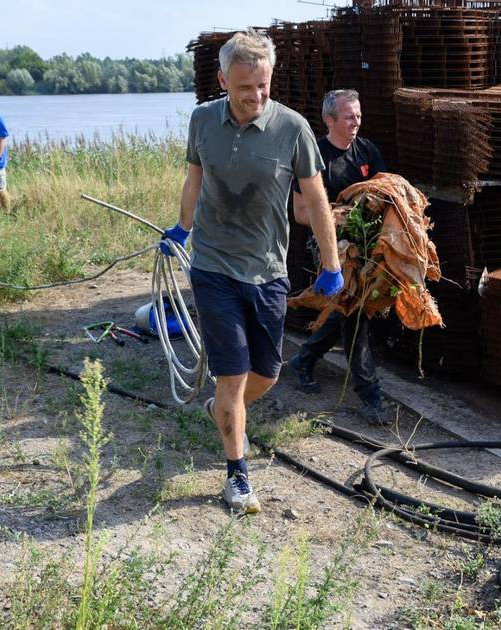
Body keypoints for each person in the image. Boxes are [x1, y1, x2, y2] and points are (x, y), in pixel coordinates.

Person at [159, 29, 343, 514]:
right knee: (234, 376)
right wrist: (181, 228)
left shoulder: (294, 129)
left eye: (263, 85)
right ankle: (237, 476)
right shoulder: (202, 121)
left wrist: (332, 263)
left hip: (267, 270)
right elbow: (194, 178)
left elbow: (317, 199)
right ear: (223, 80)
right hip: (213, 266)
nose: (256, 96)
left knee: (267, 373)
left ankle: (222, 409)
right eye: (245, 88)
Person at [289, 89, 389, 424]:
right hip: (329, 245)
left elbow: (383, 194)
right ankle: (370, 393)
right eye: (349, 116)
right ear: (329, 120)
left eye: (358, 115)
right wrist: (338, 217)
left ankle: (305, 358)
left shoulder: (367, 151)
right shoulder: (314, 156)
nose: (356, 122)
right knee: (354, 307)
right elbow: (302, 212)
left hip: (365, 241)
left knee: (348, 306)